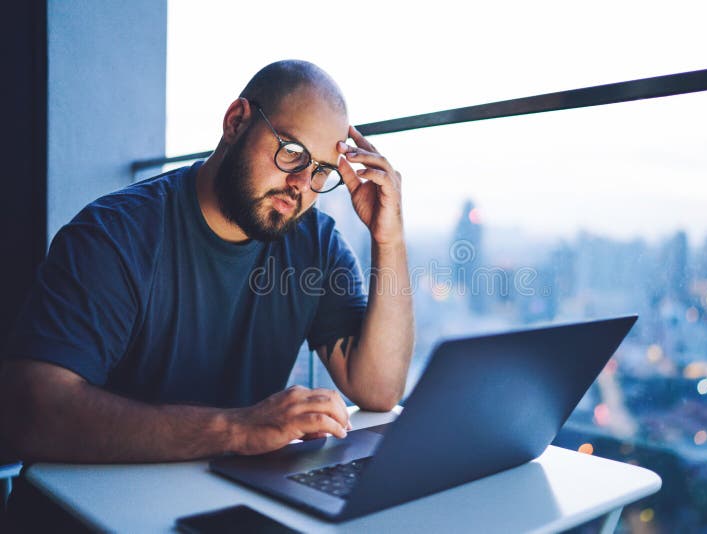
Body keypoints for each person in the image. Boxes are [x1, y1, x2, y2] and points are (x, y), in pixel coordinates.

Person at [0, 60, 414, 463]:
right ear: (235, 121)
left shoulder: (315, 243)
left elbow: (378, 390)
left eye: (322, 172)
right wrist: (236, 430)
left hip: (228, 496)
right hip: (94, 508)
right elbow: (31, 409)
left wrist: (389, 237)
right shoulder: (115, 234)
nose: (302, 185)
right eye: (292, 152)